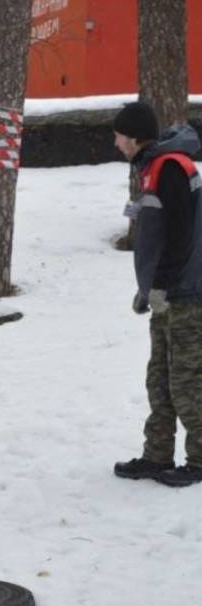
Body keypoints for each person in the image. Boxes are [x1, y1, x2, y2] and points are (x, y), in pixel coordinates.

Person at [112, 101, 202, 487]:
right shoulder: (152, 167)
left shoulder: (170, 168)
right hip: (167, 292)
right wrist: (148, 289)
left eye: (118, 135)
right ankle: (158, 454)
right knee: (159, 379)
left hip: (187, 294)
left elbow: (181, 234)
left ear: (133, 136)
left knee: (187, 379)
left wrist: (163, 284)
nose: (115, 142)